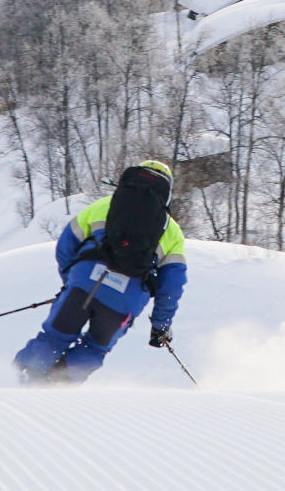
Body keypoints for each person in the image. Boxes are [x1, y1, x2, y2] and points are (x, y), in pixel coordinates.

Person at [15, 159, 187, 384]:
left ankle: (19, 380)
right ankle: (57, 384)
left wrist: (72, 281)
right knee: (94, 348)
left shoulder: (104, 205)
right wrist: (160, 326)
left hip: (84, 283)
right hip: (125, 301)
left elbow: (66, 244)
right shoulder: (172, 231)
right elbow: (171, 287)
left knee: (54, 338)